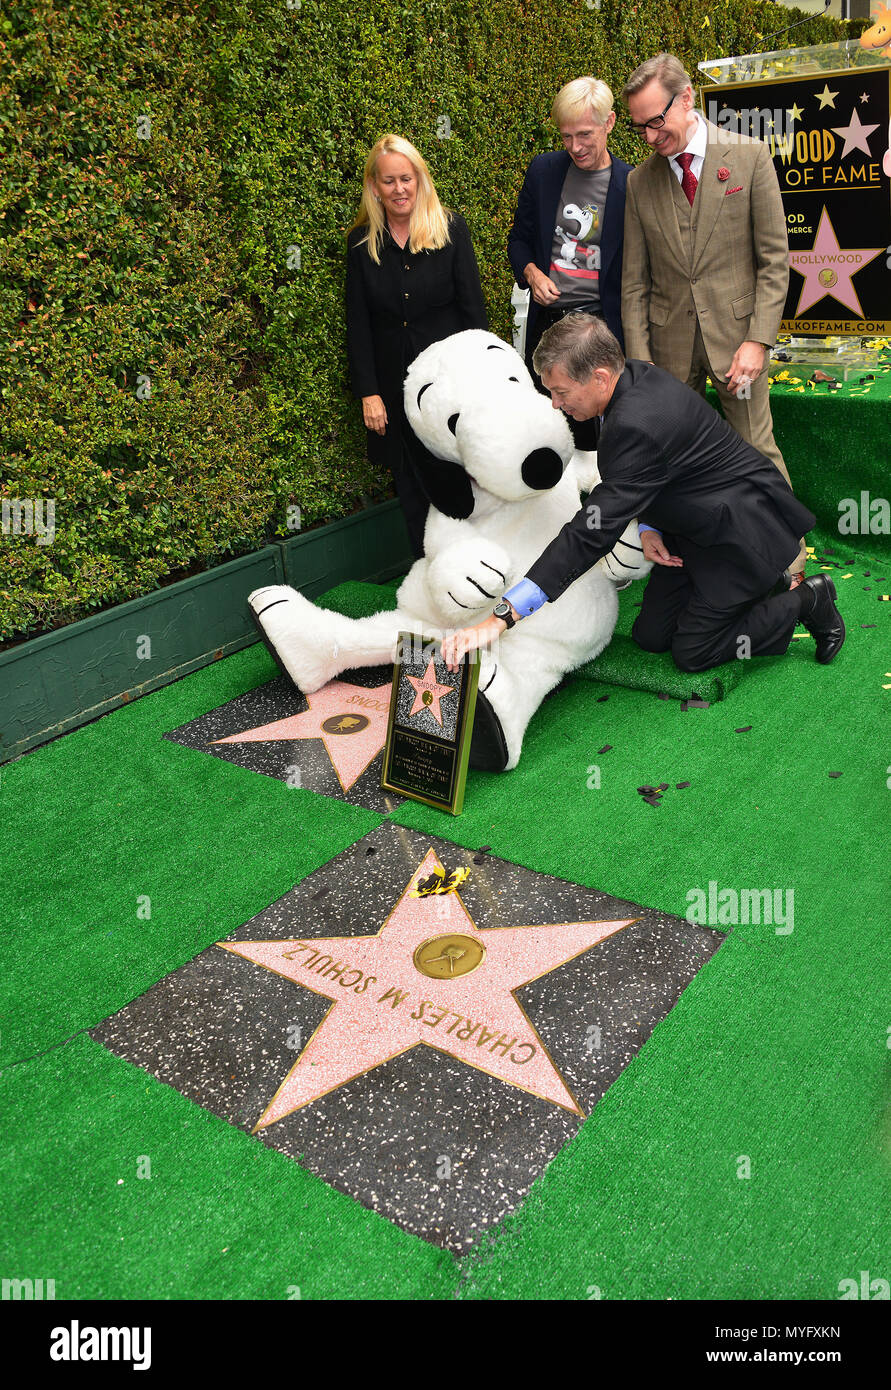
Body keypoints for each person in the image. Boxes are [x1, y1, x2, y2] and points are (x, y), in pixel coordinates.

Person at [441, 314, 844, 678]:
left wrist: (503, 616)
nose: (556, 404)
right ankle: (751, 592)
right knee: (651, 637)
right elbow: (657, 472)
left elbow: (589, 533)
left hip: (738, 535)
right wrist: (649, 525)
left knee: (693, 652)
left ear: (599, 377)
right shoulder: (632, 376)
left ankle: (807, 599)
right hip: (688, 527)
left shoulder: (637, 423)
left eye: (561, 392)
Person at [620, 52, 807, 582]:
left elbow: (774, 263)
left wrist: (758, 342)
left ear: (687, 100)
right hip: (668, 352)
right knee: (670, 459)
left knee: (754, 450)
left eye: (657, 121)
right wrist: (640, 367)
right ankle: (693, 561)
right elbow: (634, 284)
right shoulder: (639, 182)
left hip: (738, 346)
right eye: (640, 128)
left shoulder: (748, 157)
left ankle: (788, 564)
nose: (651, 137)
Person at [346, 134, 488, 557]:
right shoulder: (360, 245)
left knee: (462, 481)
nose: (399, 189)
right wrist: (369, 392)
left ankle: (475, 572)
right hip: (392, 392)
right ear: (375, 186)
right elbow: (358, 325)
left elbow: (473, 312)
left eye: (406, 178)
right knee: (409, 491)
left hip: (449, 390)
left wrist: (479, 384)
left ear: (419, 179)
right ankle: (426, 577)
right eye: (388, 181)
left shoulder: (451, 230)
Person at [507, 77, 631, 449]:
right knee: (551, 435)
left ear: (609, 123)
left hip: (604, 332)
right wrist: (531, 273)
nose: (575, 147)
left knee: (606, 441)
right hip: (550, 327)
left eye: (584, 134)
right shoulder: (544, 172)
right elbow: (518, 240)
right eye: (565, 136)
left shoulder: (631, 184)